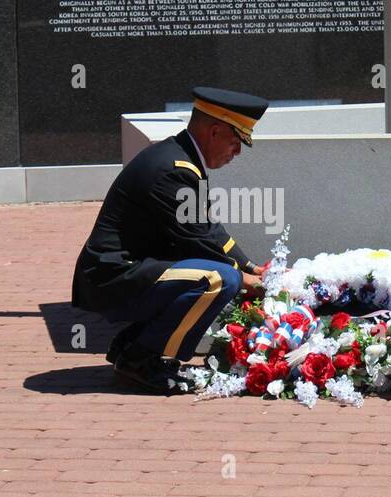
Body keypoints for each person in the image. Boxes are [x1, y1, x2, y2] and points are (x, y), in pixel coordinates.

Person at [71, 86, 269, 393]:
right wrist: (245, 279)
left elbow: (208, 229)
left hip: (129, 269)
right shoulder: (174, 170)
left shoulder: (182, 156)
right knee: (220, 279)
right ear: (215, 131)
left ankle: (133, 342)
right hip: (114, 278)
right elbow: (196, 240)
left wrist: (251, 266)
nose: (238, 152)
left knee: (227, 272)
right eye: (236, 141)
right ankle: (140, 359)